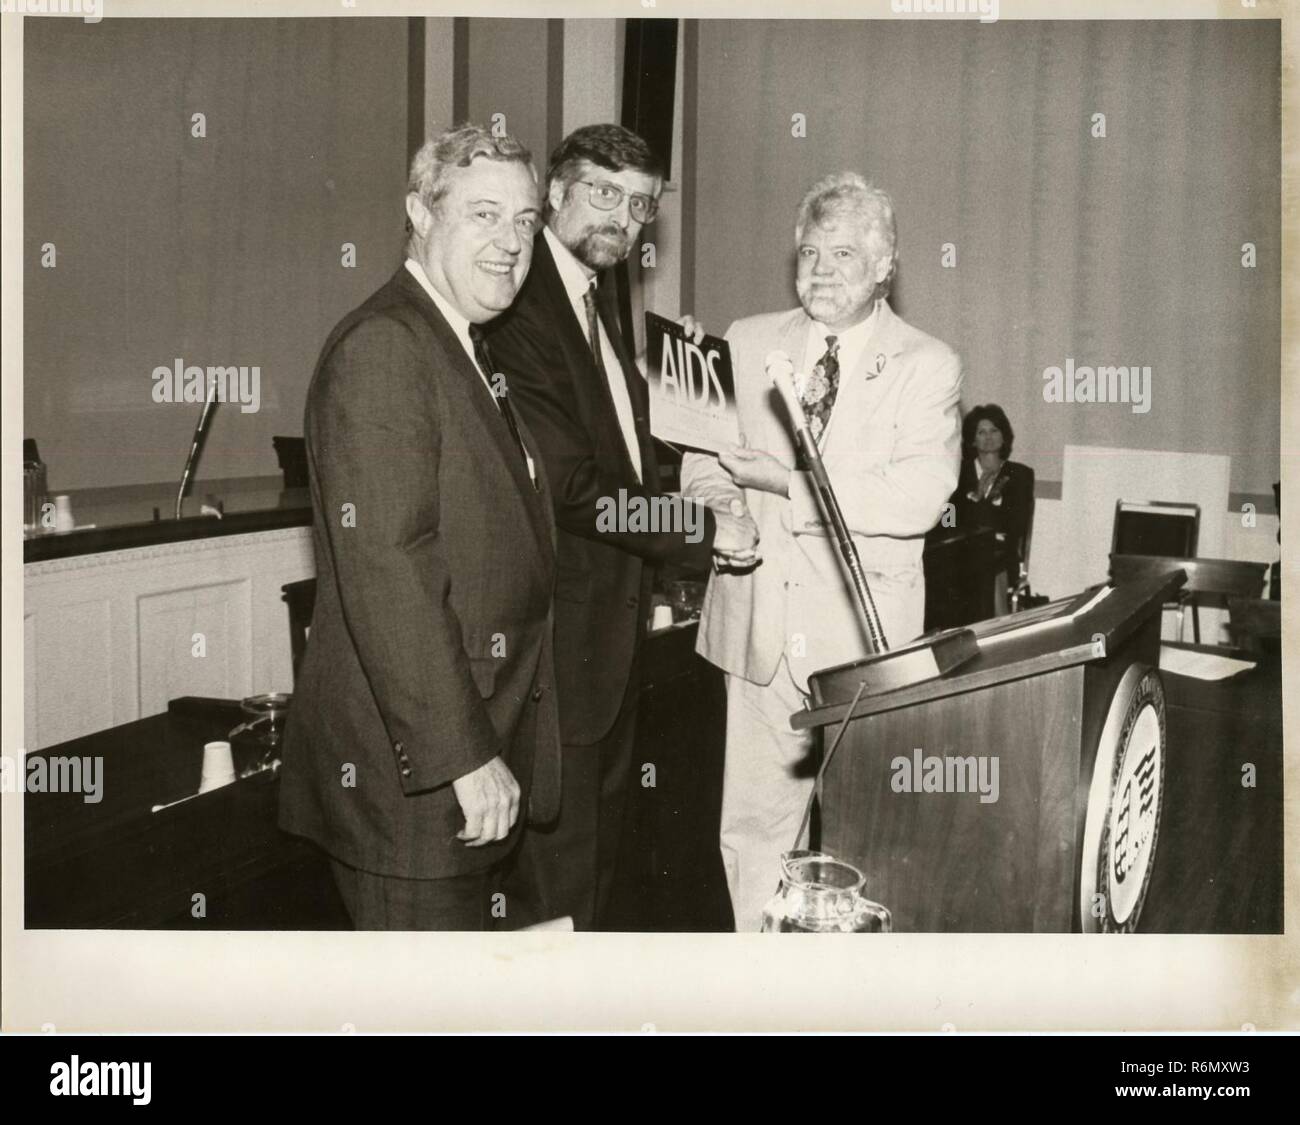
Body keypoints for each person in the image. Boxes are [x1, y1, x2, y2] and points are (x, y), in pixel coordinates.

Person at [278, 125, 560, 931]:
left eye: (526, 220)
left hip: (457, 764)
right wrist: (464, 754)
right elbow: (390, 569)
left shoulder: (460, 342)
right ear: (420, 214)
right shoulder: (385, 346)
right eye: (483, 215)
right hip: (416, 782)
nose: (511, 242)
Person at [484, 123, 758, 930]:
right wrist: (703, 528)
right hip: (553, 650)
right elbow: (577, 489)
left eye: (640, 204)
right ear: (556, 194)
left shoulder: (596, 302)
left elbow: (618, 462)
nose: (624, 217)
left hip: (605, 648)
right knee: (558, 896)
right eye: (605, 192)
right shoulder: (520, 305)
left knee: (594, 884)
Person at [682, 172, 963, 932]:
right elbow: (704, 457)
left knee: (865, 841)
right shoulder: (743, 340)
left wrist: (790, 486)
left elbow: (919, 497)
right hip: (761, 636)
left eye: (844, 252)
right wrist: (726, 511)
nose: (821, 269)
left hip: (864, 647)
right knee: (752, 837)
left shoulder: (927, 364)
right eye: (810, 251)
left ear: (885, 266)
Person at [951, 404, 1035, 616]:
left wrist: (974, 505)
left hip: (999, 557)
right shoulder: (956, 473)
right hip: (958, 554)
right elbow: (948, 520)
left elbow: (1016, 524)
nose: (988, 437)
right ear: (972, 439)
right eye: (981, 432)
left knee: (985, 565)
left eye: (994, 430)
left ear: (1004, 436)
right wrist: (981, 498)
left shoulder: (1020, 475)